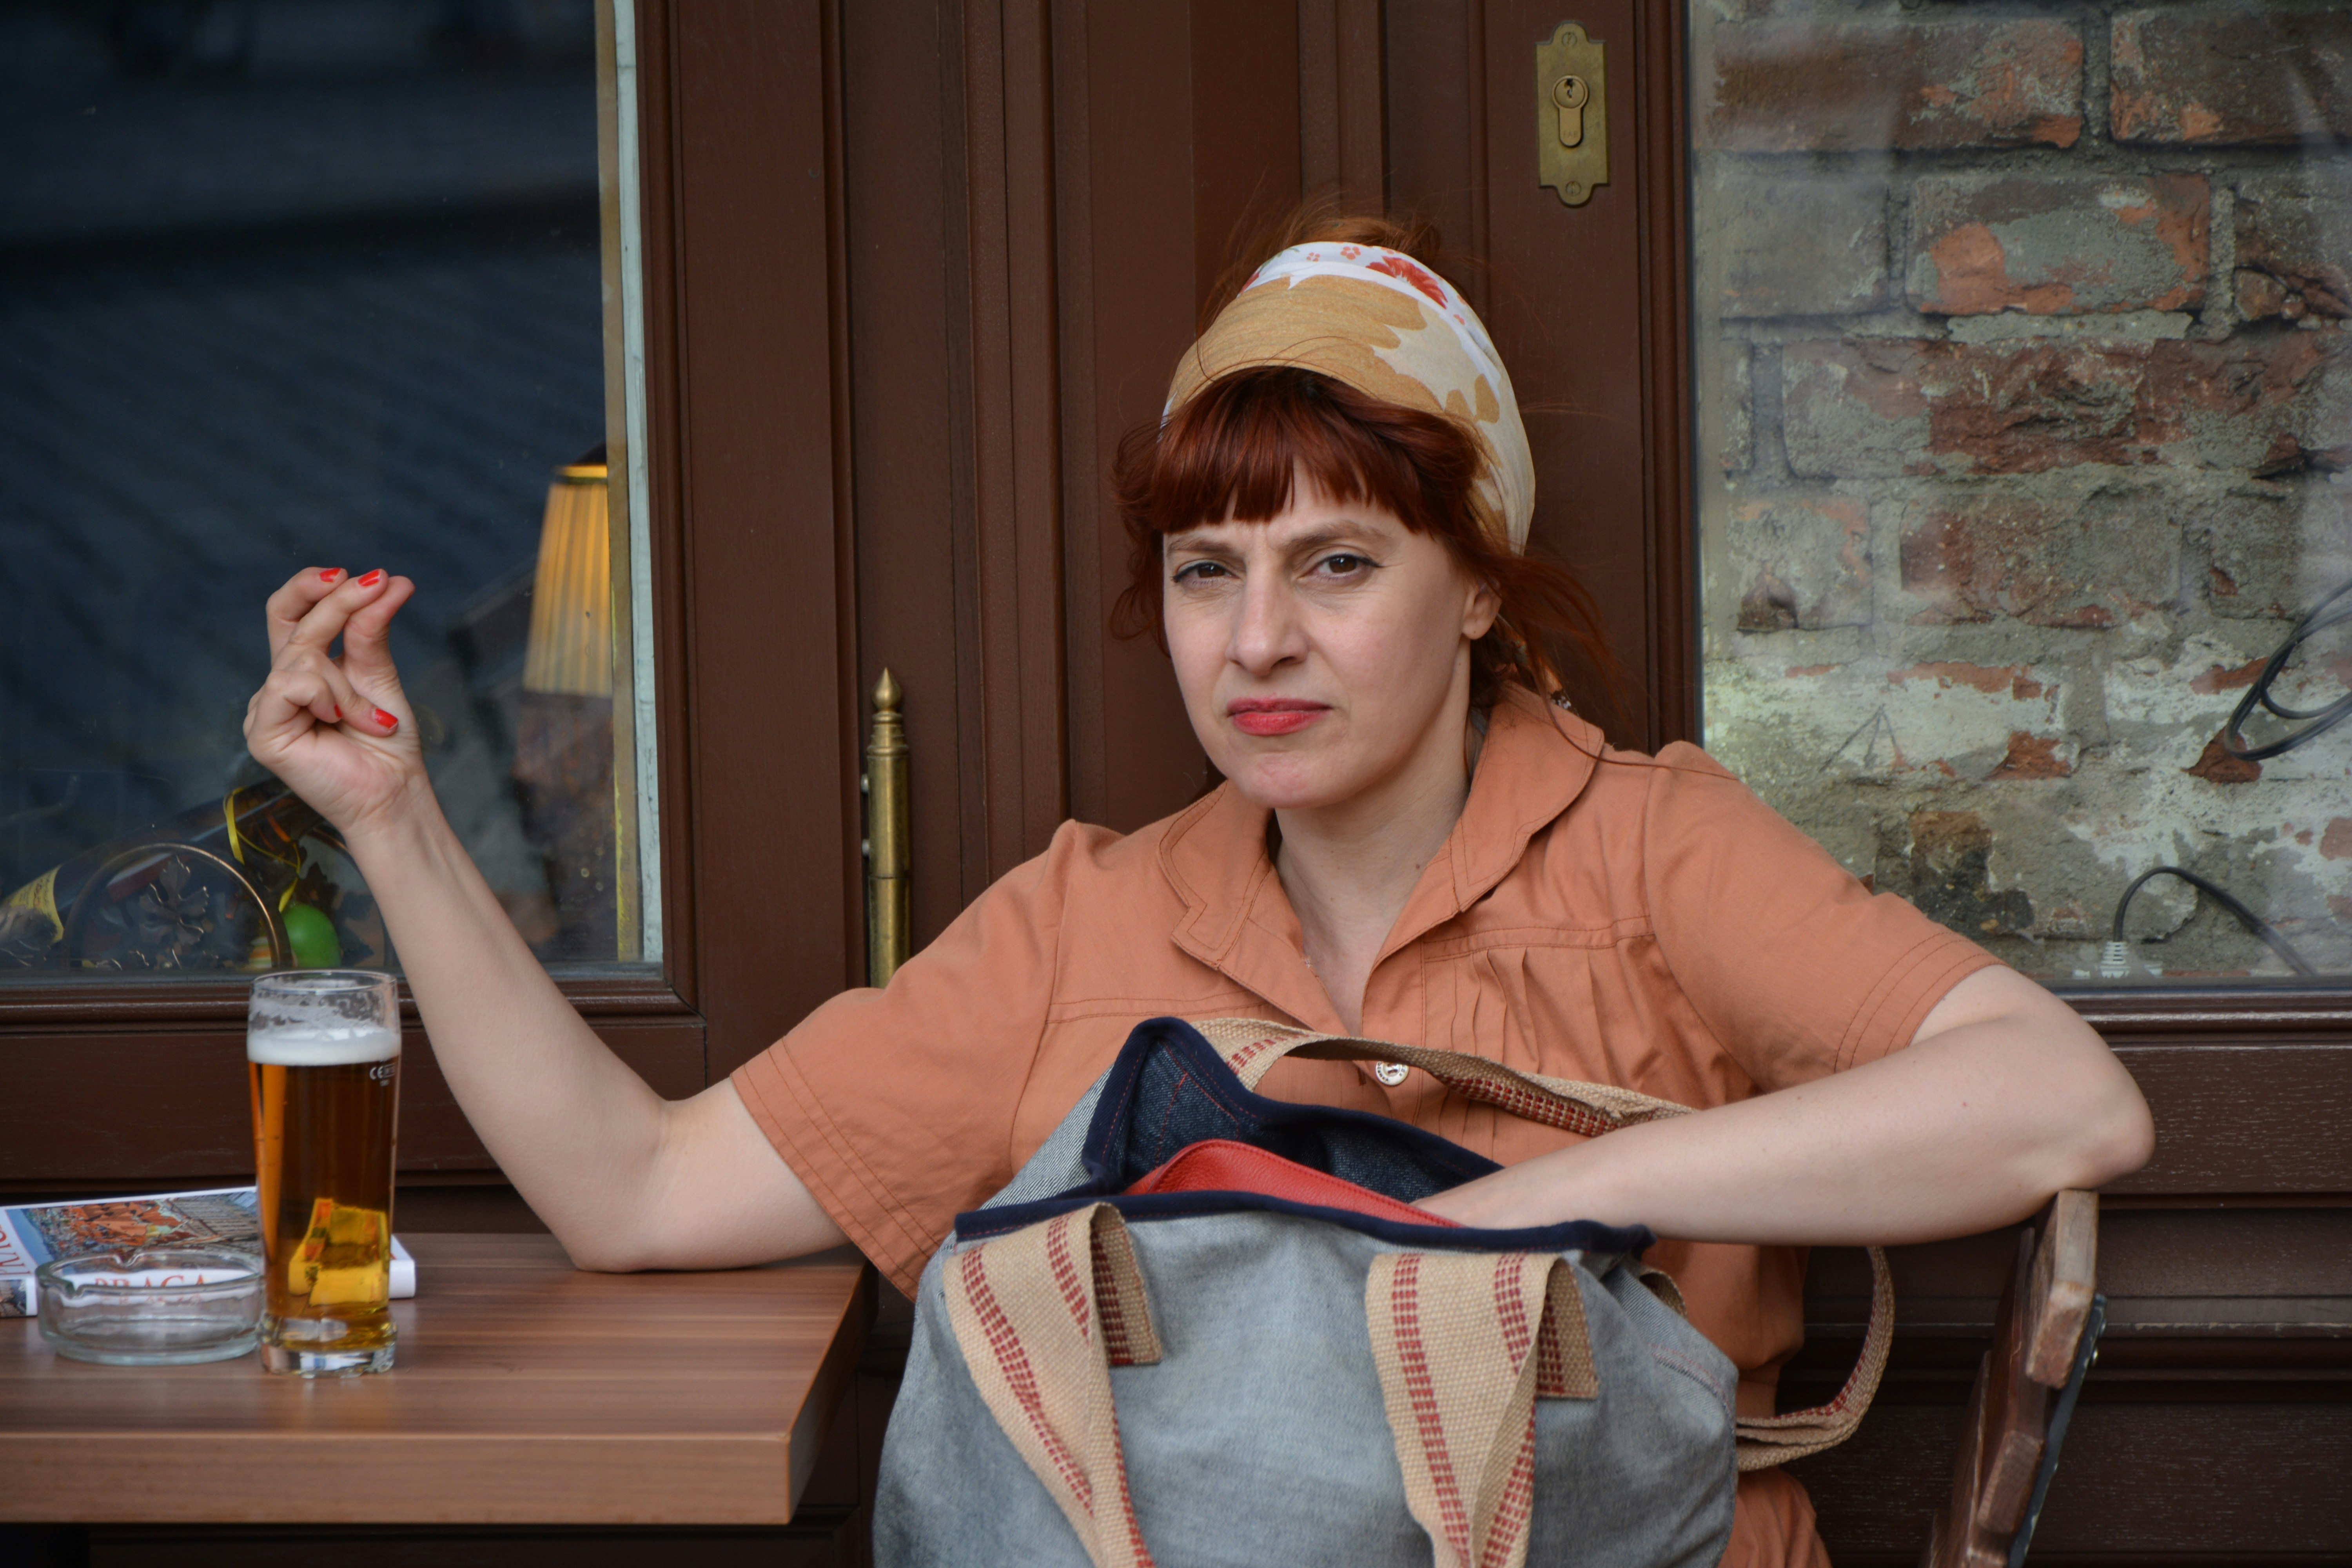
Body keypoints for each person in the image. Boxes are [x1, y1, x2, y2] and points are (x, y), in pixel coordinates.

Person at [244, 215, 2153, 1566]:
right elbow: (635, 1189)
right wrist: (398, 820)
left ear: (1476, 584)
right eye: (1202, 568)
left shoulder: (1649, 846)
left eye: (1336, 565)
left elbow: (2062, 1096)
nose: (1258, 641)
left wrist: (1546, 1196)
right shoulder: (1090, 913)